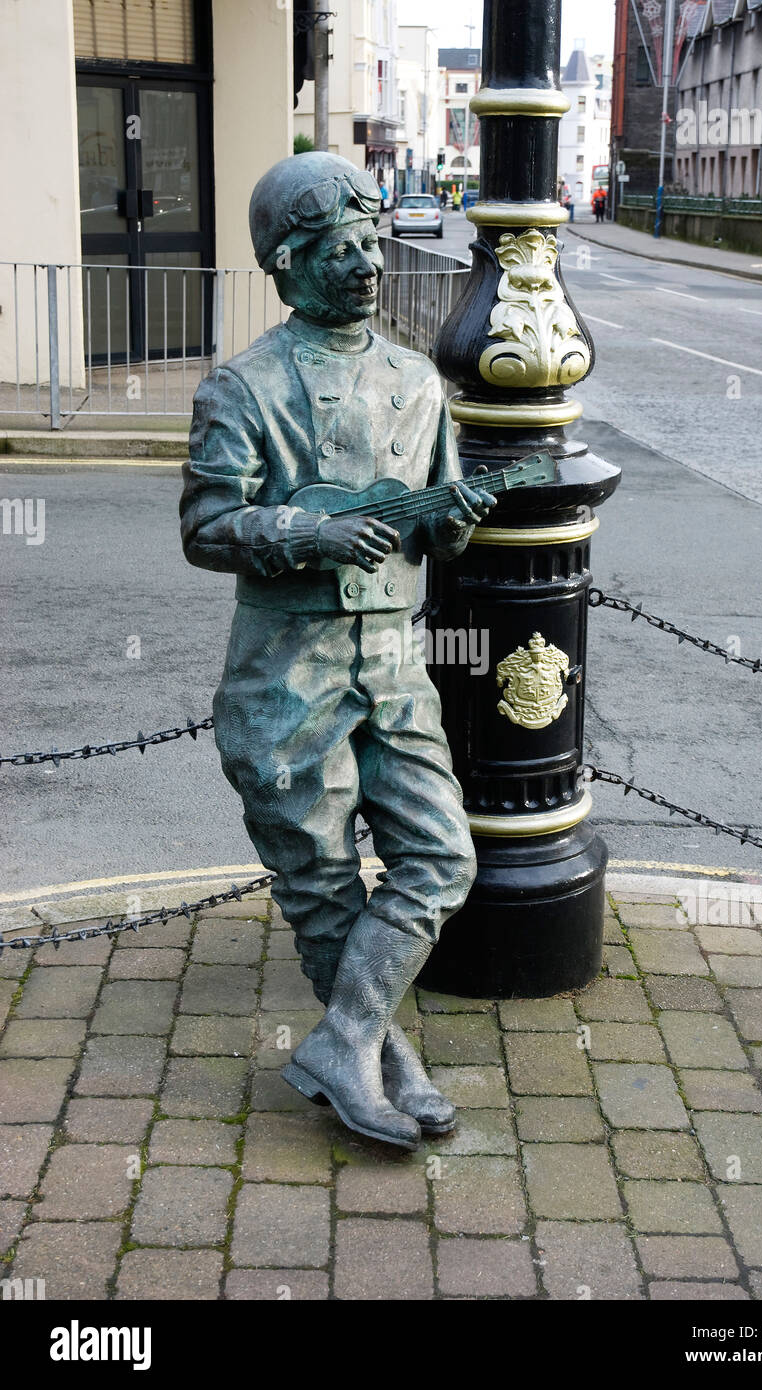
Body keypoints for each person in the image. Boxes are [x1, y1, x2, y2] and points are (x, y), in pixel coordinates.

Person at [180, 153, 495, 1150]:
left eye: (371, 246)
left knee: (440, 856)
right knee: (317, 879)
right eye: (338, 250)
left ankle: (346, 1037)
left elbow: (437, 525)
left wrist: (458, 521)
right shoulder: (245, 386)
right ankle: (383, 1056)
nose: (366, 267)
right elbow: (204, 527)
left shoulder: (416, 379)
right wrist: (305, 534)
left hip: (394, 660)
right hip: (288, 667)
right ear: (288, 264)